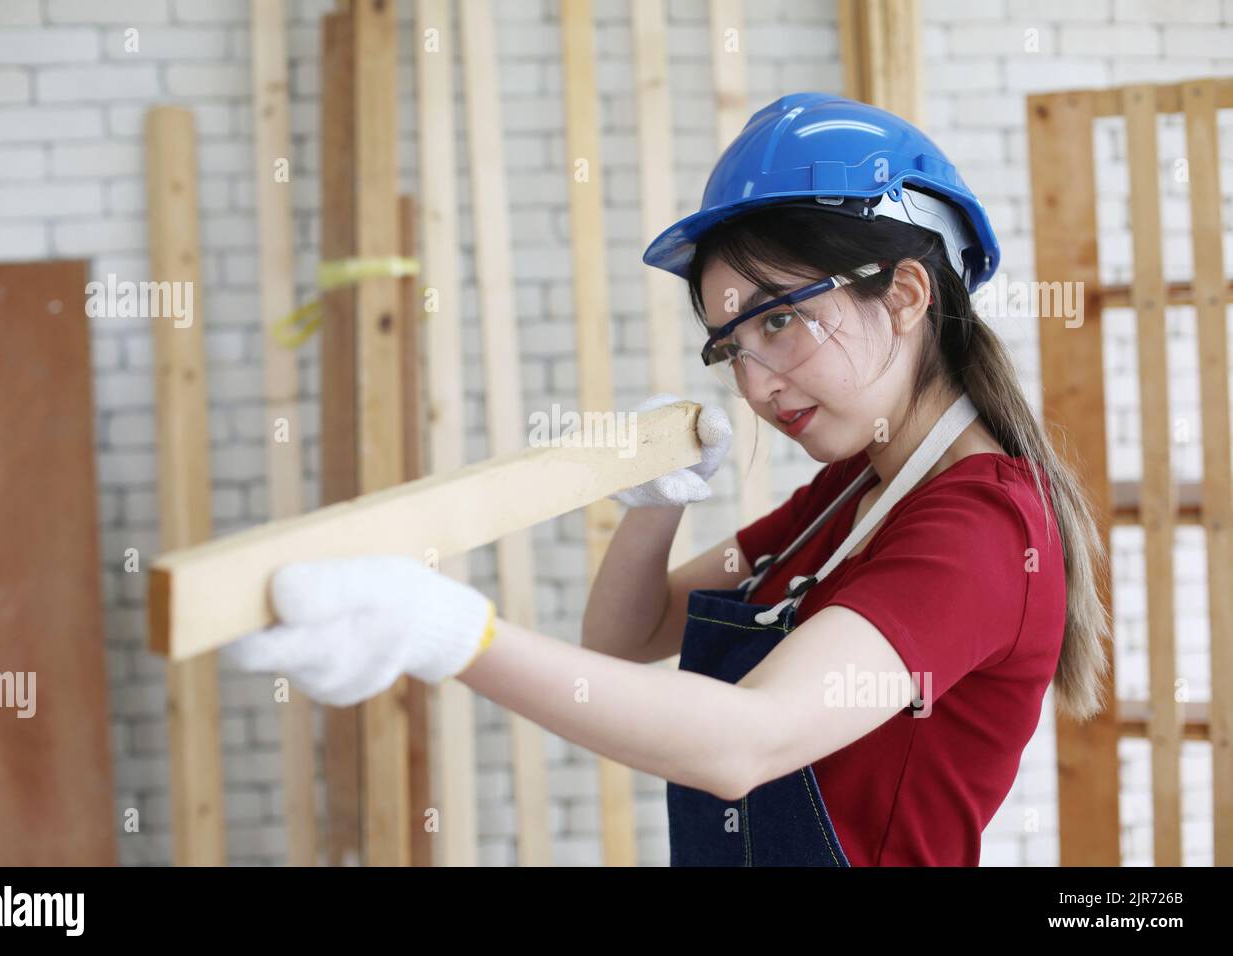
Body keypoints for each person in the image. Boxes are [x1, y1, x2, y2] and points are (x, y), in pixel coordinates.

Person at [223, 92, 1110, 866]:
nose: (755, 385)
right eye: (731, 345)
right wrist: (653, 509)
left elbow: (744, 742)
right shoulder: (850, 494)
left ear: (908, 294)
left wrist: (448, 632)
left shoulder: (983, 530)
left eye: (781, 323)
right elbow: (625, 640)